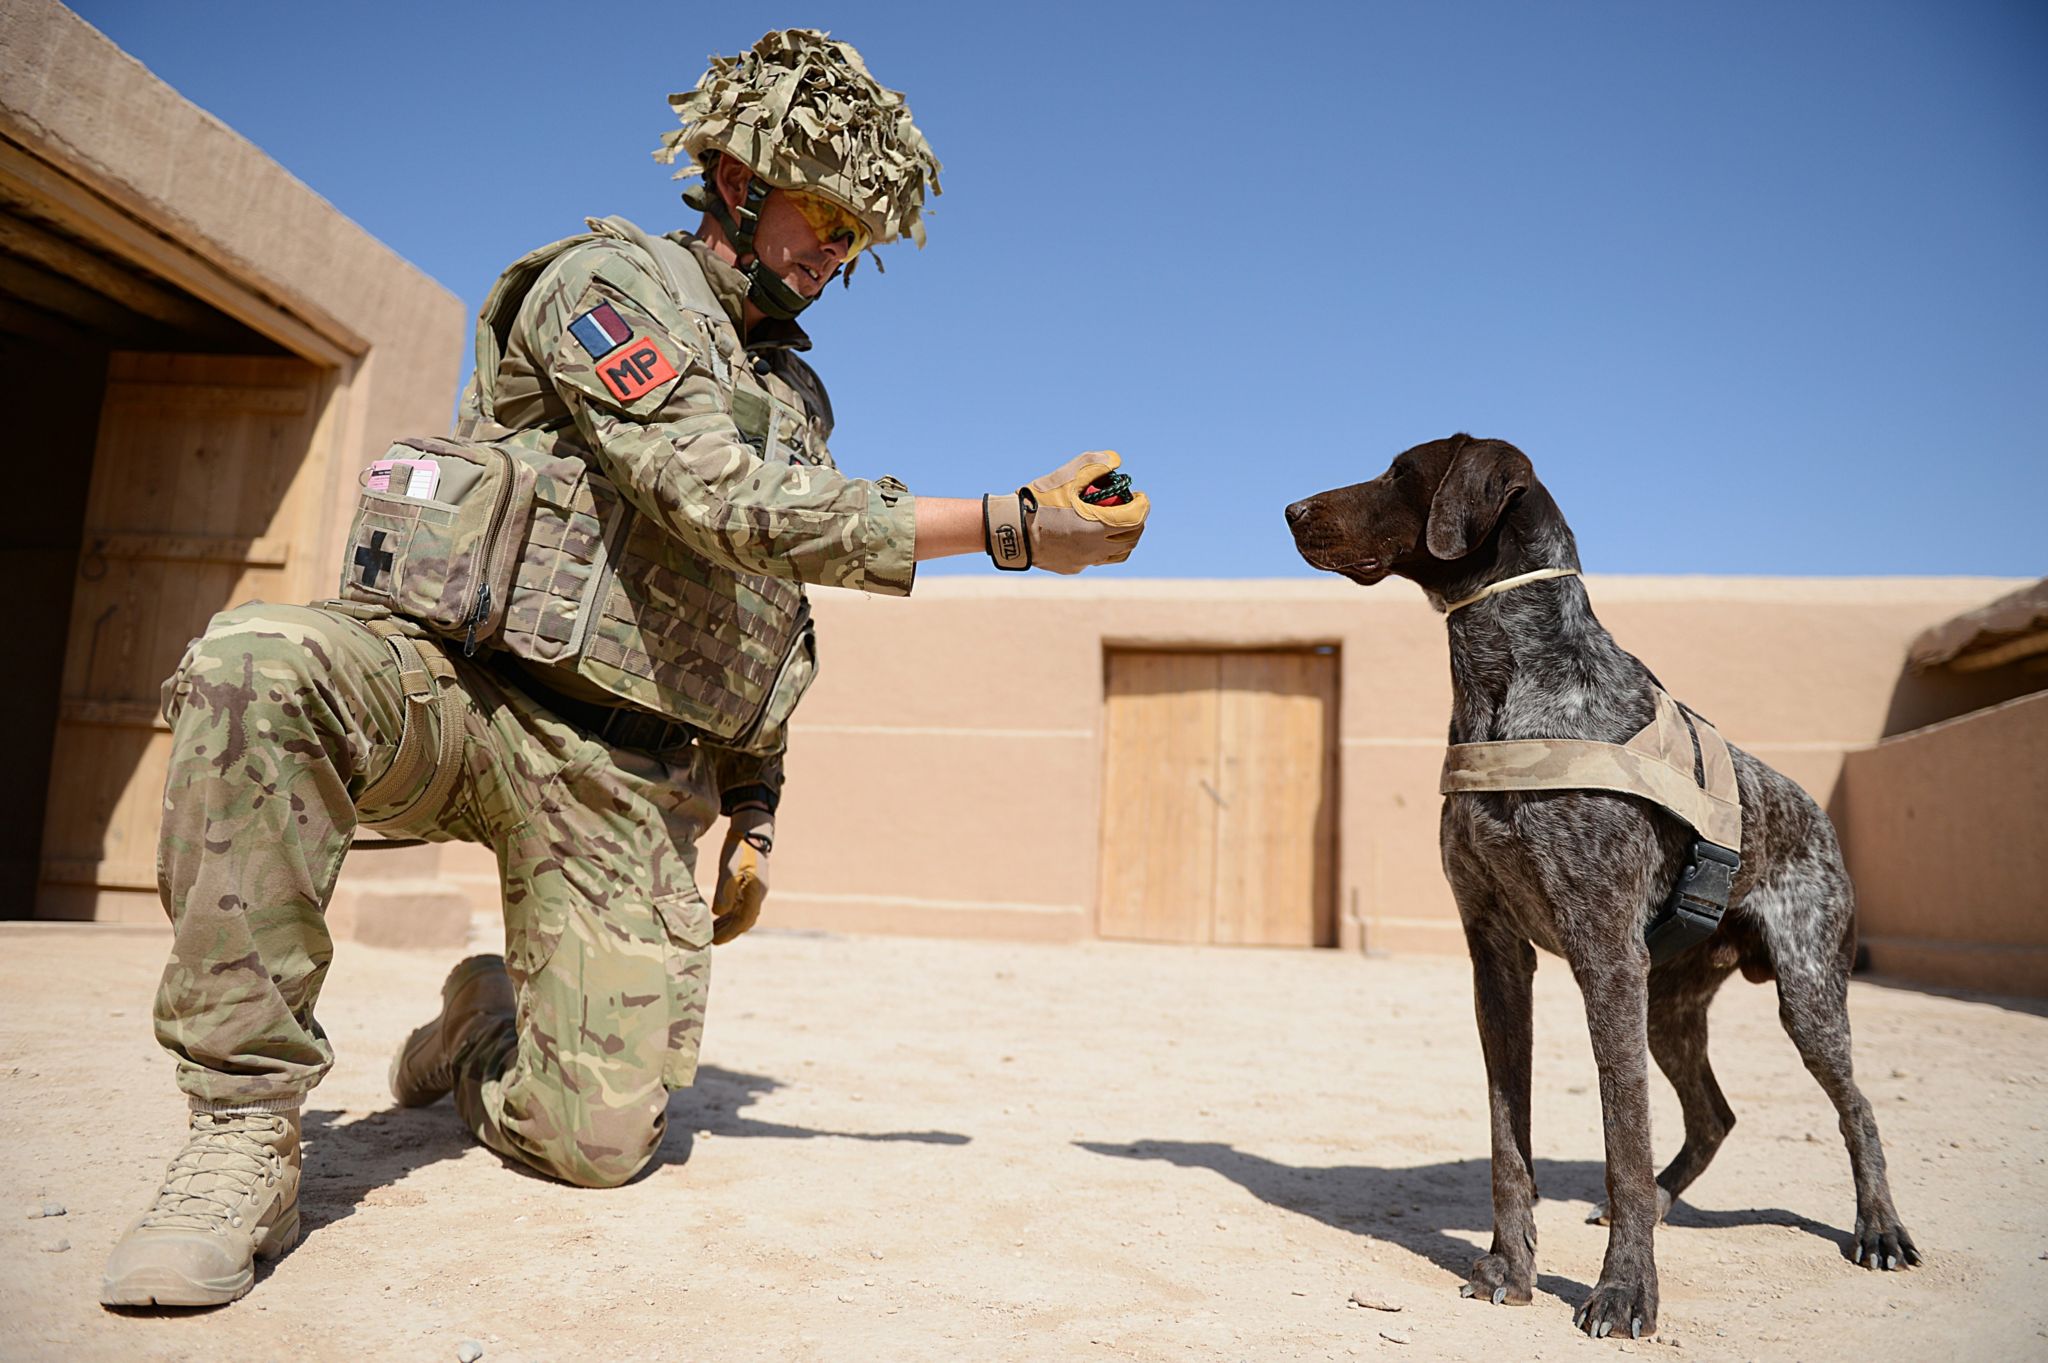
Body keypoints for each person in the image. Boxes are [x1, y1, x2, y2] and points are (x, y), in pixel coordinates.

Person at [100, 28, 1149, 1308]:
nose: (831, 253)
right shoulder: (607, 287)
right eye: (819, 215)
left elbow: (764, 600)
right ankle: (240, 1135)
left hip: (617, 771)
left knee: (593, 1146)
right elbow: (712, 497)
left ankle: (480, 1019)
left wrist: (756, 799)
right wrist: (1006, 528)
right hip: (454, 694)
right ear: (735, 177)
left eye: (854, 238)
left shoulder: (792, 397)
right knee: (263, 660)